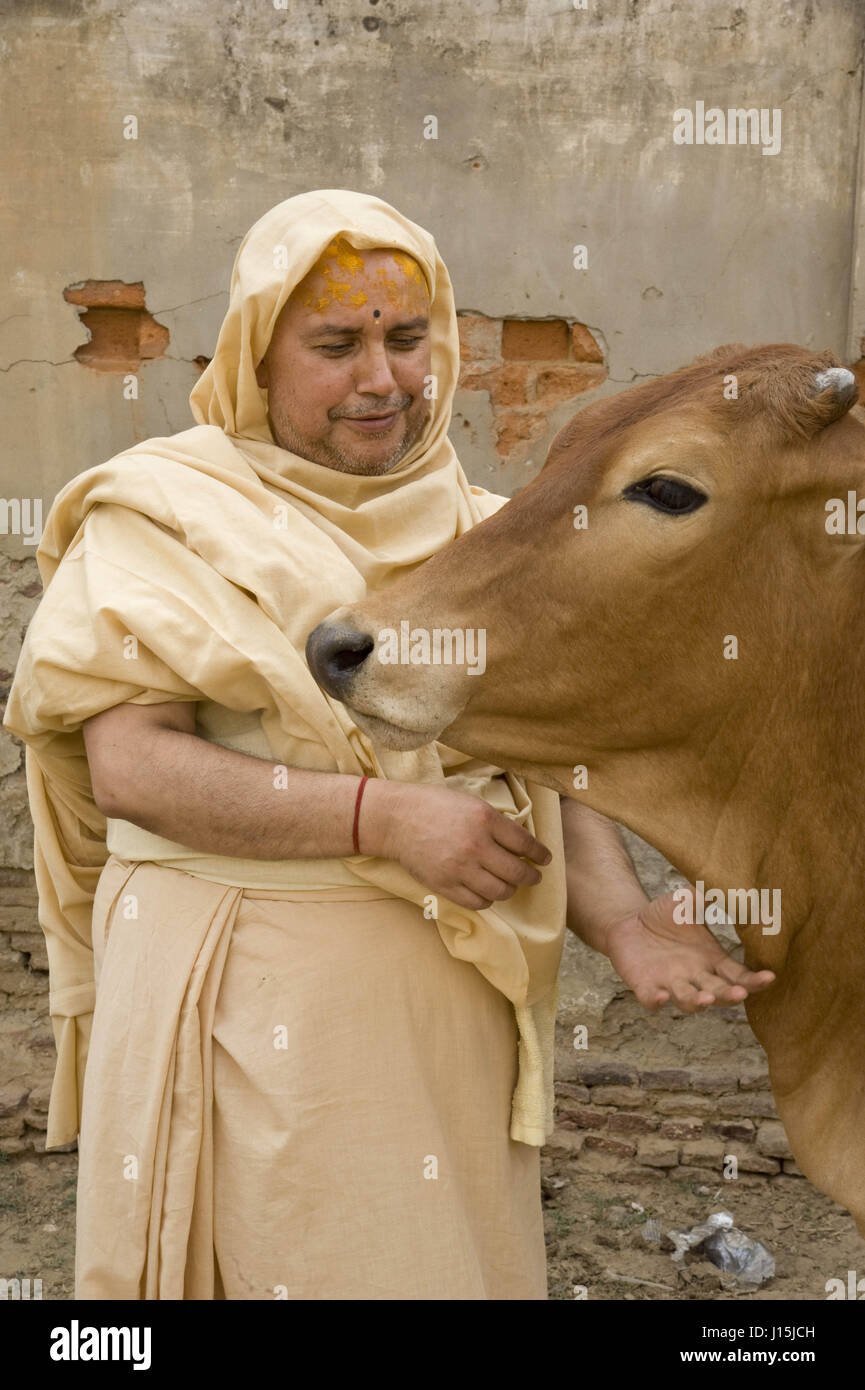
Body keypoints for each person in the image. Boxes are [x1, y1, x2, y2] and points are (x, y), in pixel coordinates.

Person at [2, 189, 773, 1300]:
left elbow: (551, 751)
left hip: (447, 1013)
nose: (384, 378)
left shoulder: (481, 526)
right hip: (242, 1004)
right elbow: (134, 765)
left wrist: (618, 918)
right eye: (335, 346)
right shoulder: (165, 515)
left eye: (406, 339)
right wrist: (383, 818)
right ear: (257, 357)